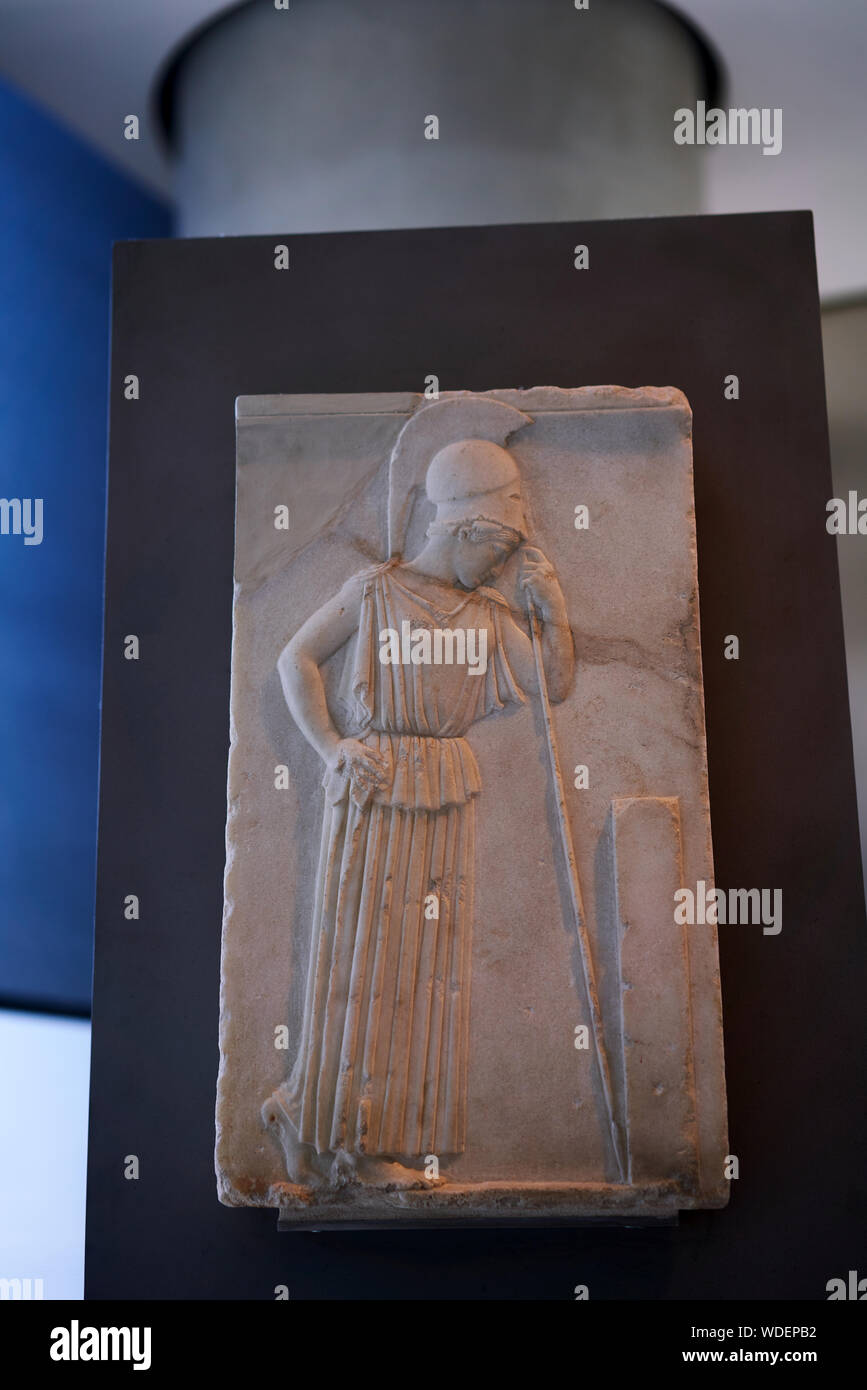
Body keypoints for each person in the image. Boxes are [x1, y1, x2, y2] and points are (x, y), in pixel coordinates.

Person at [262, 437, 573, 1187]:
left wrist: (551, 608)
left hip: (441, 788)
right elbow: (294, 657)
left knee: (420, 974)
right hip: (373, 784)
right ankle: (339, 1133)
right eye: (497, 550)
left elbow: (553, 684)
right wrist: (331, 745)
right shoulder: (373, 591)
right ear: (463, 530)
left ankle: (330, 1124)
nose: (500, 566)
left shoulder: (488, 614)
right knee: (362, 963)